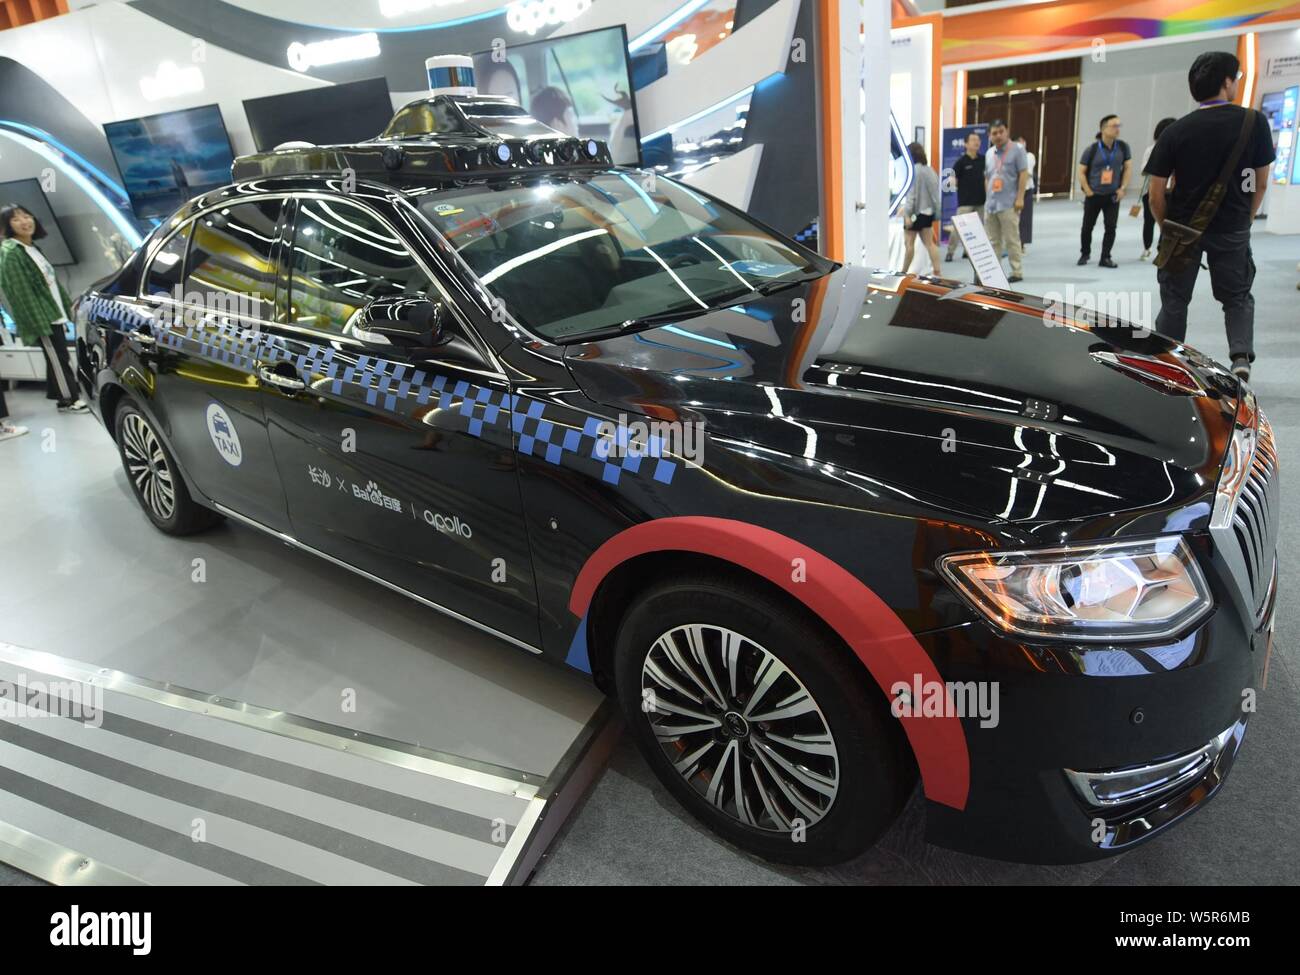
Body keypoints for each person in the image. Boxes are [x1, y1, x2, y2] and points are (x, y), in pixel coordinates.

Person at [1146, 51, 1274, 380]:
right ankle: (1240, 357)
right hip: (1232, 226)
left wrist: (1167, 229)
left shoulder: (1175, 131)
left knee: (1175, 298)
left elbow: (1155, 195)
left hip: (1181, 229)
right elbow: (1260, 184)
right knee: (1237, 296)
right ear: (1227, 82)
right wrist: (1243, 221)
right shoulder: (1253, 122)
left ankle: (1168, 361)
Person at [0, 204, 88, 413]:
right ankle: (70, 398)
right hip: (42, 318)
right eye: (16, 219)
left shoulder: (32, 248)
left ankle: (61, 397)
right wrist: (40, 324)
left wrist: (67, 310)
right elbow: (21, 294)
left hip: (53, 313)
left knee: (58, 357)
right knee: (58, 358)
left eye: (26, 215)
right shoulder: (11, 252)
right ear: (6, 226)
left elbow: (53, 284)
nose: (24, 221)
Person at [1077, 114, 1132, 267]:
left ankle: (1105, 257)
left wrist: (1123, 188)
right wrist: (1088, 191)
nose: (1117, 129)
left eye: (1119, 126)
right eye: (1114, 126)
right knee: (1087, 227)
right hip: (1094, 195)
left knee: (1111, 227)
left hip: (1113, 195)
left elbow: (1128, 168)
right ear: (1103, 129)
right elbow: (1081, 171)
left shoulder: (1122, 147)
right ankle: (1085, 253)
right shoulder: (1092, 149)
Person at [983, 119, 1028, 282]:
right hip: (991, 204)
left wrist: (1020, 197)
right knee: (993, 241)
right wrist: (987, 198)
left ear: (1007, 131)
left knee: (1011, 239)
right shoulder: (989, 153)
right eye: (994, 133)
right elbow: (987, 177)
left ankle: (1016, 271)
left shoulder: (1017, 150)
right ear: (990, 135)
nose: (998, 135)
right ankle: (994, 272)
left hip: (1009, 203)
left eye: (1001, 131)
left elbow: (1023, 174)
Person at [1135, 117, 1177, 260]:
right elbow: (1143, 170)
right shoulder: (1151, 149)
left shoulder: (1179, 148)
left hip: (1171, 192)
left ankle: (1163, 248)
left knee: (1167, 221)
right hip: (1152, 191)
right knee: (1149, 220)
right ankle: (1147, 248)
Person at [901, 142, 942, 275]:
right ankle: (937, 272)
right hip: (927, 213)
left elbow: (911, 196)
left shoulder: (913, 171)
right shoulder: (929, 170)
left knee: (909, 245)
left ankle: (903, 273)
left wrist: (907, 214)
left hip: (914, 214)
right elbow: (936, 193)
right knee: (930, 244)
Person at [944, 130, 985, 261]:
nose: (976, 142)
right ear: (966, 144)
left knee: (977, 229)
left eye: (978, 140)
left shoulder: (983, 160)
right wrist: (953, 182)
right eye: (973, 140)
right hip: (965, 202)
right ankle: (950, 252)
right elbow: (952, 178)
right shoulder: (961, 162)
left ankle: (969, 252)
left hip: (981, 201)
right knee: (958, 229)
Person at [1016, 136, 1037, 246]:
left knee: (1025, 218)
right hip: (1014, 190)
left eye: (1022, 143)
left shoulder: (1029, 156)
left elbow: (1027, 173)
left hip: (1027, 190)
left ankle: (1022, 244)